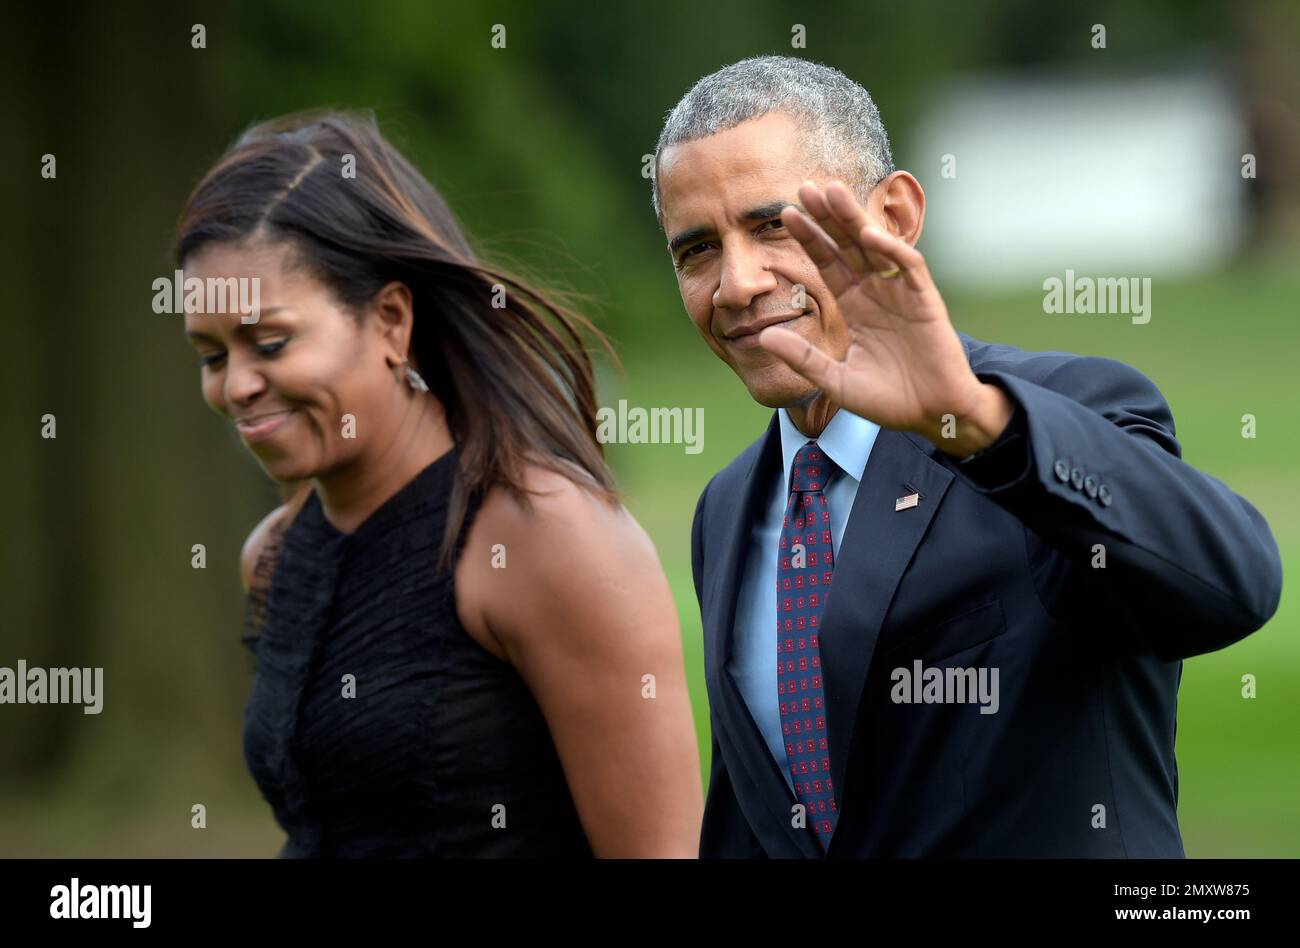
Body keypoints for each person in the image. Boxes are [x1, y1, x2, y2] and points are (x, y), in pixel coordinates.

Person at [650, 56, 1283, 857]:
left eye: (775, 225)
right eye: (697, 249)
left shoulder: (1054, 413)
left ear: (896, 214)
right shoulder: (730, 506)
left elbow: (1235, 584)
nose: (736, 283)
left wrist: (979, 425)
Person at [176, 110, 702, 857]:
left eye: (269, 343)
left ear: (390, 319)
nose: (237, 385)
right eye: (210, 356)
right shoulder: (274, 555)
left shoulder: (544, 538)